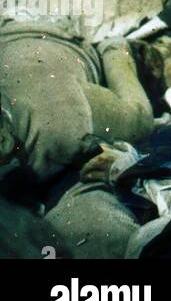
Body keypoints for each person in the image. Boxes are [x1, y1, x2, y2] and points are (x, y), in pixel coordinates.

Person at [0, 22, 154, 184]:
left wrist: (114, 49)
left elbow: (140, 120)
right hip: (18, 32)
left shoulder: (59, 123)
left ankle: (113, 48)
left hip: (59, 39)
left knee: (139, 122)